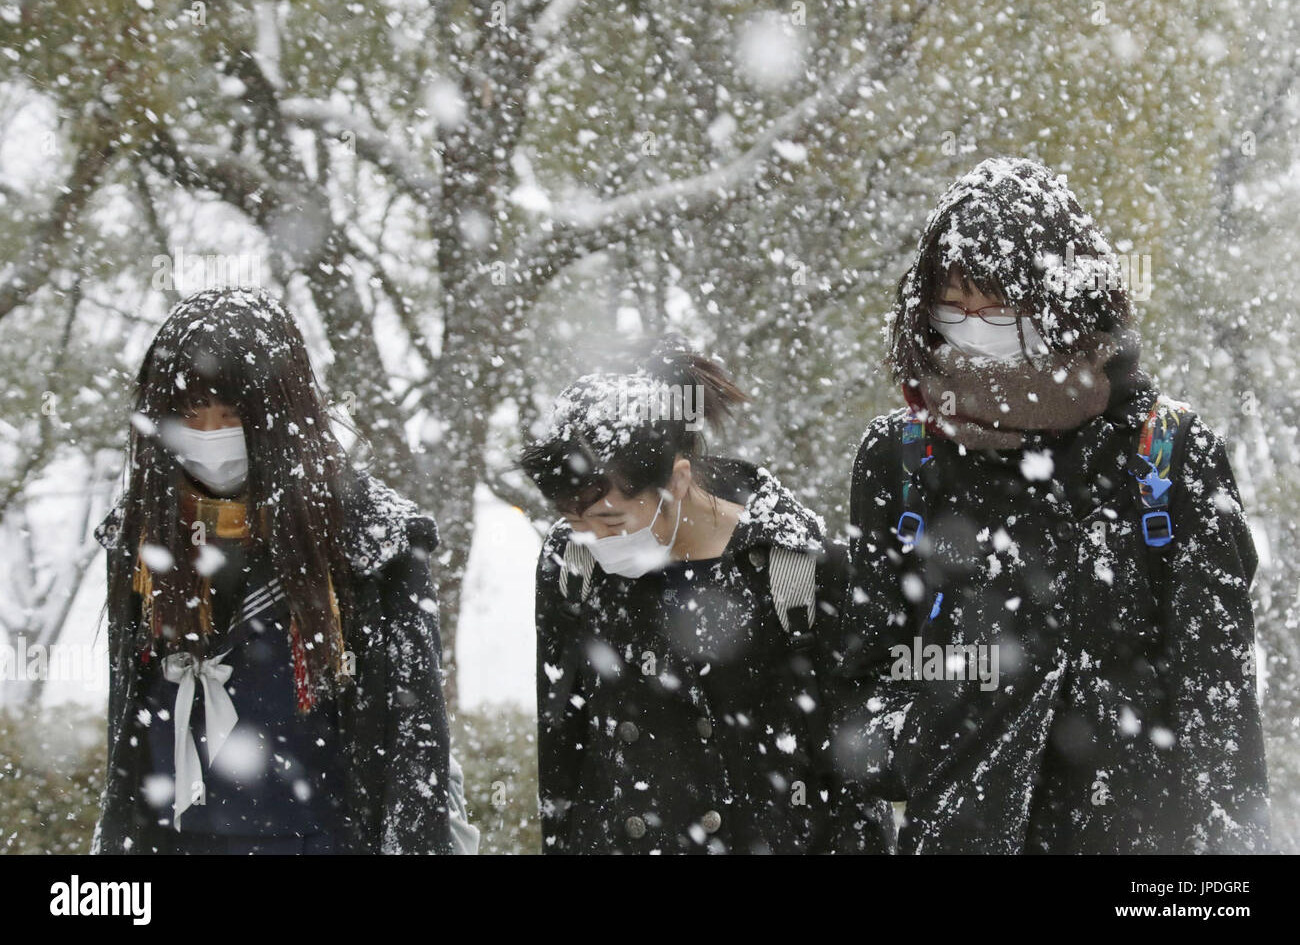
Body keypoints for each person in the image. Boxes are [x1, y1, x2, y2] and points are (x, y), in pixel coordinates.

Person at [838, 156, 1270, 854]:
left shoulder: (1167, 453)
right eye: (954, 307)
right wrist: (934, 732)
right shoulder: (902, 457)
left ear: (1066, 301)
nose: (973, 327)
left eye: (998, 306)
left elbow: (1219, 713)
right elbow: (862, 682)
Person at [91, 286, 456, 854]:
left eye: (232, 413)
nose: (210, 434)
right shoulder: (139, 538)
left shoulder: (372, 542)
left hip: (319, 838)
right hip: (173, 838)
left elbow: (413, 743)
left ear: (277, 413)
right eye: (191, 414)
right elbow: (128, 730)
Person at [521, 337, 893, 854]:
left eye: (610, 519)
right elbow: (563, 748)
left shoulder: (795, 568)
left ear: (677, 480)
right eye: (572, 519)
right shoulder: (571, 563)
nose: (593, 539)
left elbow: (852, 775)